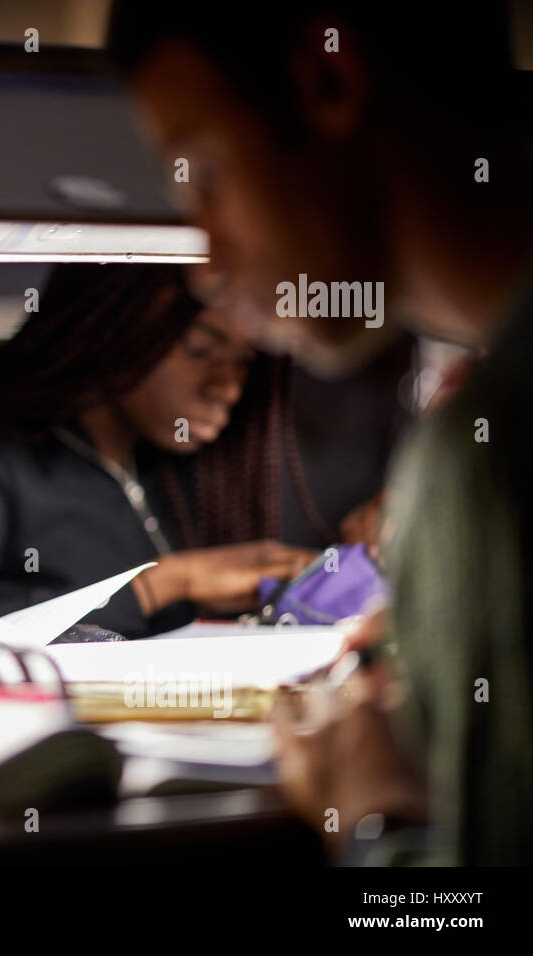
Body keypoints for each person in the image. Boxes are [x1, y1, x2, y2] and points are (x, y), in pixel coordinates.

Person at [109, 0, 533, 864]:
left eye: (203, 177)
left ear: (328, 80)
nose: (209, 258)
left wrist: (371, 819)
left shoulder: (490, 448)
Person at [0, 263, 322, 635]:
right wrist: (160, 586)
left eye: (241, 360)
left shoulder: (168, 460)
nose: (226, 386)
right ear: (113, 325)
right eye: (198, 348)